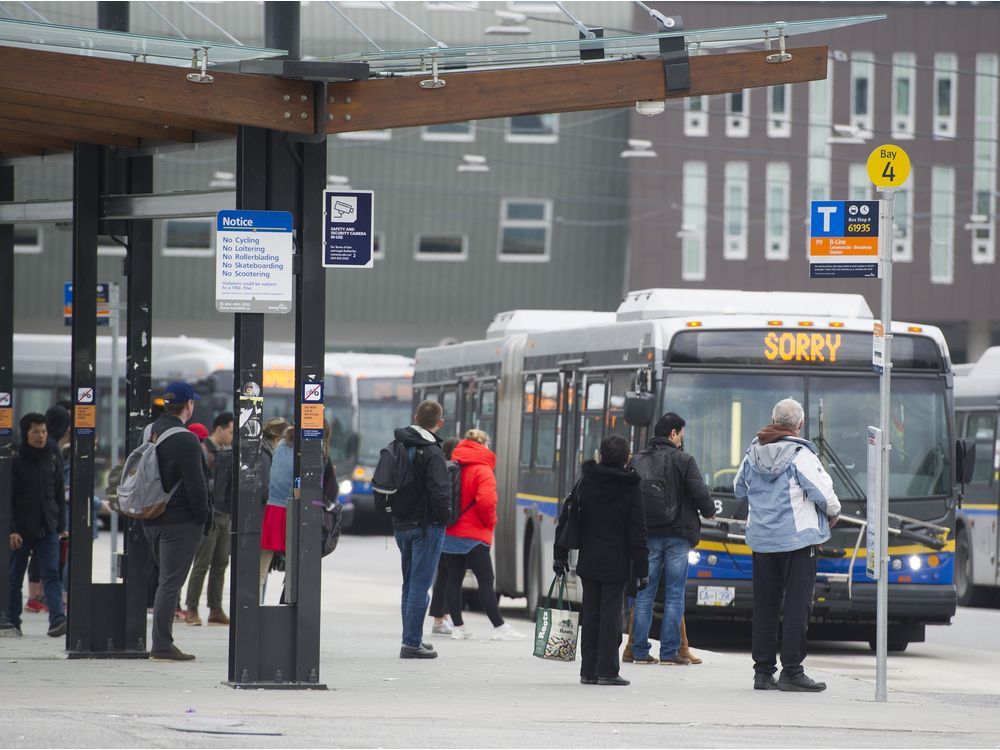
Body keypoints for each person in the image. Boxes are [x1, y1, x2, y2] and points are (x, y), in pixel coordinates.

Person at [734, 397, 841, 693]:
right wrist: (833, 513)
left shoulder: (752, 453)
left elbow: (738, 488)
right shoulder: (800, 454)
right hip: (797, 542)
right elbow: (824, 494)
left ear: (773, 420)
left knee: (765, 607)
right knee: (796, 606)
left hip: (762, 541)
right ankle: (792, 671)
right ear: (800, 425)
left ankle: (763, 673)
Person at [554, 434, 648, 686]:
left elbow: (568, 517)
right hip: (617, 561)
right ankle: (607, 670)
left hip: (590, 560)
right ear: (626, 458)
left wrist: (559, 555)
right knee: (610, 616)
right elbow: (637, 532)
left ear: (601, 455)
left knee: (591, 614)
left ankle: (588, 670)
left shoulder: (586, 482)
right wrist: (643, 569)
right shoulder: (630, 487)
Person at [629, 412, 715, 666]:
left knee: (645, 593)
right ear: (672, 433)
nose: (681, 441)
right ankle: (669, 652)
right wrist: (709, 510)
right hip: (678, 535)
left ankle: (639, 651)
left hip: (648, 534)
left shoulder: (638, 459)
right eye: (680, 436)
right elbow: (699, 493)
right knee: (675, 594)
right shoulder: (683, 460)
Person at [143, 381, 211, 661]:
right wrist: (203, 520)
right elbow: (197, 486)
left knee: (165, 580)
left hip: (151, 517)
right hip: (179, 522)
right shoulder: (187, 439)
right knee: (170, 584)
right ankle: (161, 644)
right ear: (189, 405)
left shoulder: (149, 431)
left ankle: (161, 641)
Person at [443, 430, 525, 642]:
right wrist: (490, 523)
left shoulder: (454, 465)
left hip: (450, 531)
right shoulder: (483, 470)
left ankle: (458, 627)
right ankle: (499, 627)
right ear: (484, 445)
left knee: (454, 579)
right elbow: (486, 502)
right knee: (486, 580)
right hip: (474, 535)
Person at [387, 400, 451, 659]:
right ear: (440, 423)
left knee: (409, 584)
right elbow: (440, 491)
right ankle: (411, 643)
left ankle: (411, 637)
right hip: (426, 527)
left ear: (415, 417)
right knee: (419, 586)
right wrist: (445, 518)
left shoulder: (398, 444)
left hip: (401, 524)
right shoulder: (432, 451)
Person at [8, 413, 67, 638]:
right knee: (15, 576)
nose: (41, 436)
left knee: (51, 573)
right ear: (26, 433)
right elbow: (8, 499)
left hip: (48, 527)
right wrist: (11, 529)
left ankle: (57, 620)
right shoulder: (16, 460)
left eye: (43, 431)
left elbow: (59, 494)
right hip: (21, 530)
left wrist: (62, 525)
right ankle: (12, 620)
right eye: (36, 432)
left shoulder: (52, 458)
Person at [183, 410, 235, 627]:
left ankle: (215, 608)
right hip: (210, 513)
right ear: (219, 429)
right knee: (202, 562)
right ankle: (192, 608)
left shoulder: (228, 452)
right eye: (230, 432)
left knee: (221, 562)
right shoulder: (204, 450)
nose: (232, 437)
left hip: (225, 514)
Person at [429, 436, 460, 636]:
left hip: (441, 527)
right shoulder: (452, 470)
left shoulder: (441, 467)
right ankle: (440, 619)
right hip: (448, 528)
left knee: (445, 574)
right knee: (445, 575)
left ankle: (443, 617)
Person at [260, 425, 294, 603]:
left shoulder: (280, 447)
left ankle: (254, 607)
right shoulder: (305, 450)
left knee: (261, 570)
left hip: (273, 509)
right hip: (293, 512)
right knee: (296, 568)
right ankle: (288, 603)